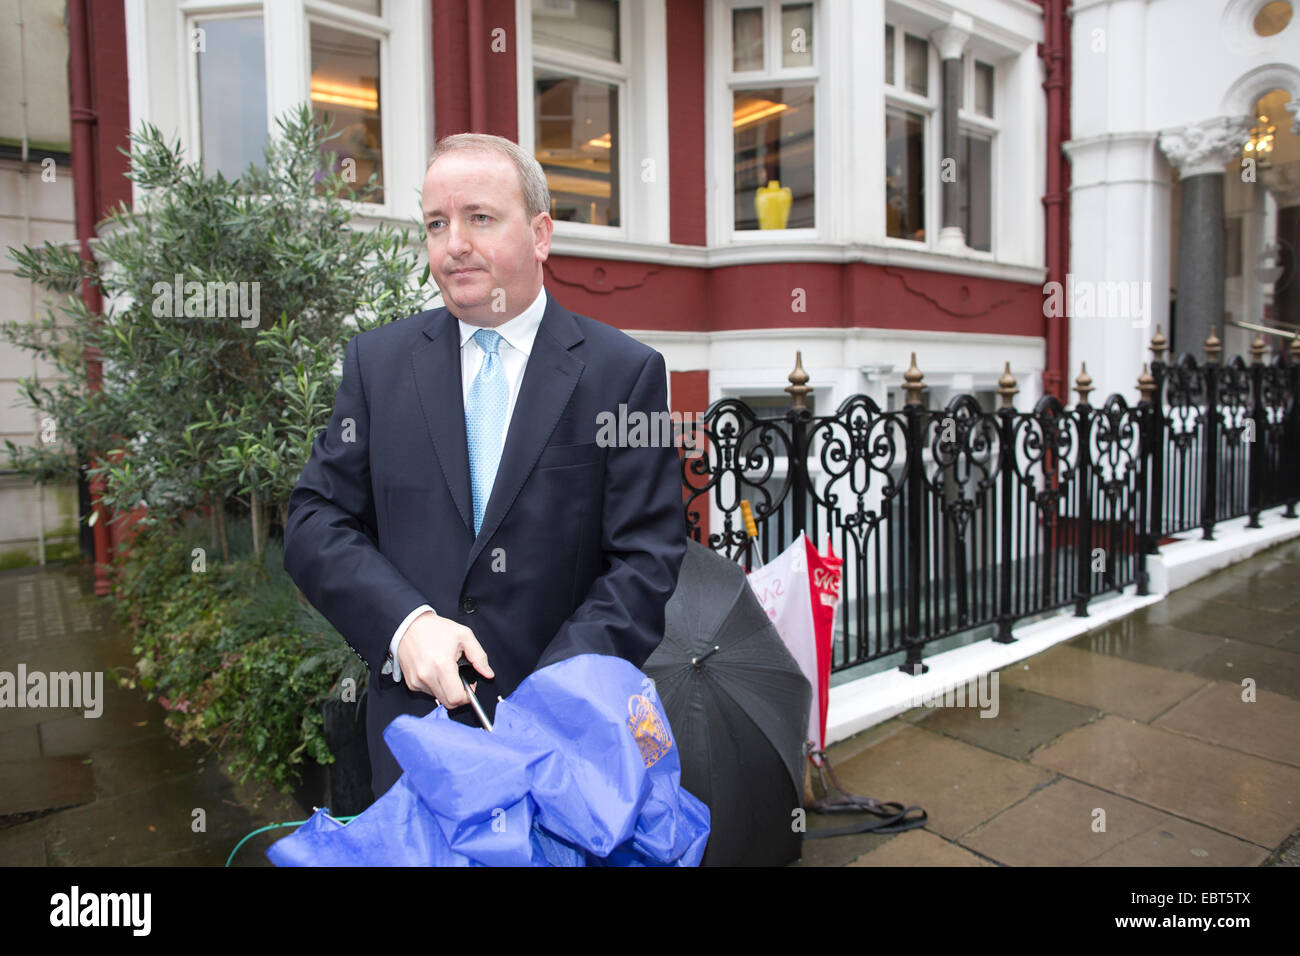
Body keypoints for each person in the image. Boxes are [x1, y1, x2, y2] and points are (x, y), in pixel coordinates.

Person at [283, 133, 687, 800]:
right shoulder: (378, 366)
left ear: (540, 234)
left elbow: (645, 559)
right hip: (414, 749)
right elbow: (314, 520)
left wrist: (546, 705)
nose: (454, 245)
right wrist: (405, 625)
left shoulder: (623, 374)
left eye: (478, 218)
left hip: (563, 752)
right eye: (437, 224)